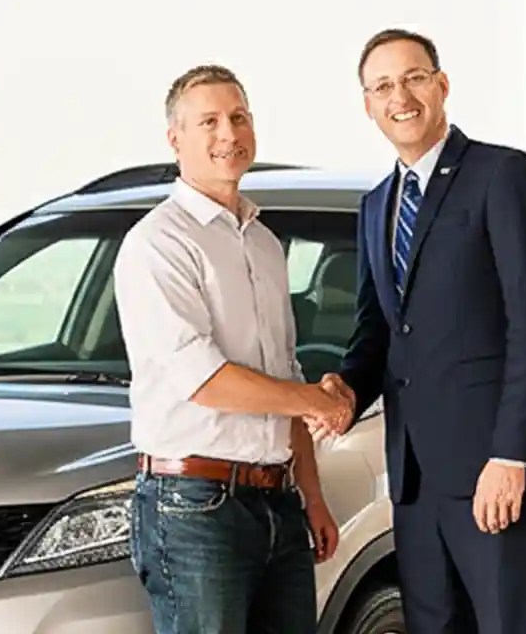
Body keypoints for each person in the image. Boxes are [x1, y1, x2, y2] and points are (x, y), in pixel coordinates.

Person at [321, 29, 526, 633]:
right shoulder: (376, 204)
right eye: (382, 86)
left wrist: (510, 455)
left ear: (441, 84)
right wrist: (348, 393)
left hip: (496, 469)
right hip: (416, 484)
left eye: (413, 77)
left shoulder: (501, 175)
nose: (400, 96)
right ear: (367, 104)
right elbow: (379, 328)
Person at [114, 63, 354, 634]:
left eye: (239, 117)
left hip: (277, 503)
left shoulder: (265, 244)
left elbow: (282, 376)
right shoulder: (159, 243)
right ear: (176, 139)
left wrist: (312, 497)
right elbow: (204, 379)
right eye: (210, 121)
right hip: (194, 507)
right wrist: (318, 401)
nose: (230, 133)